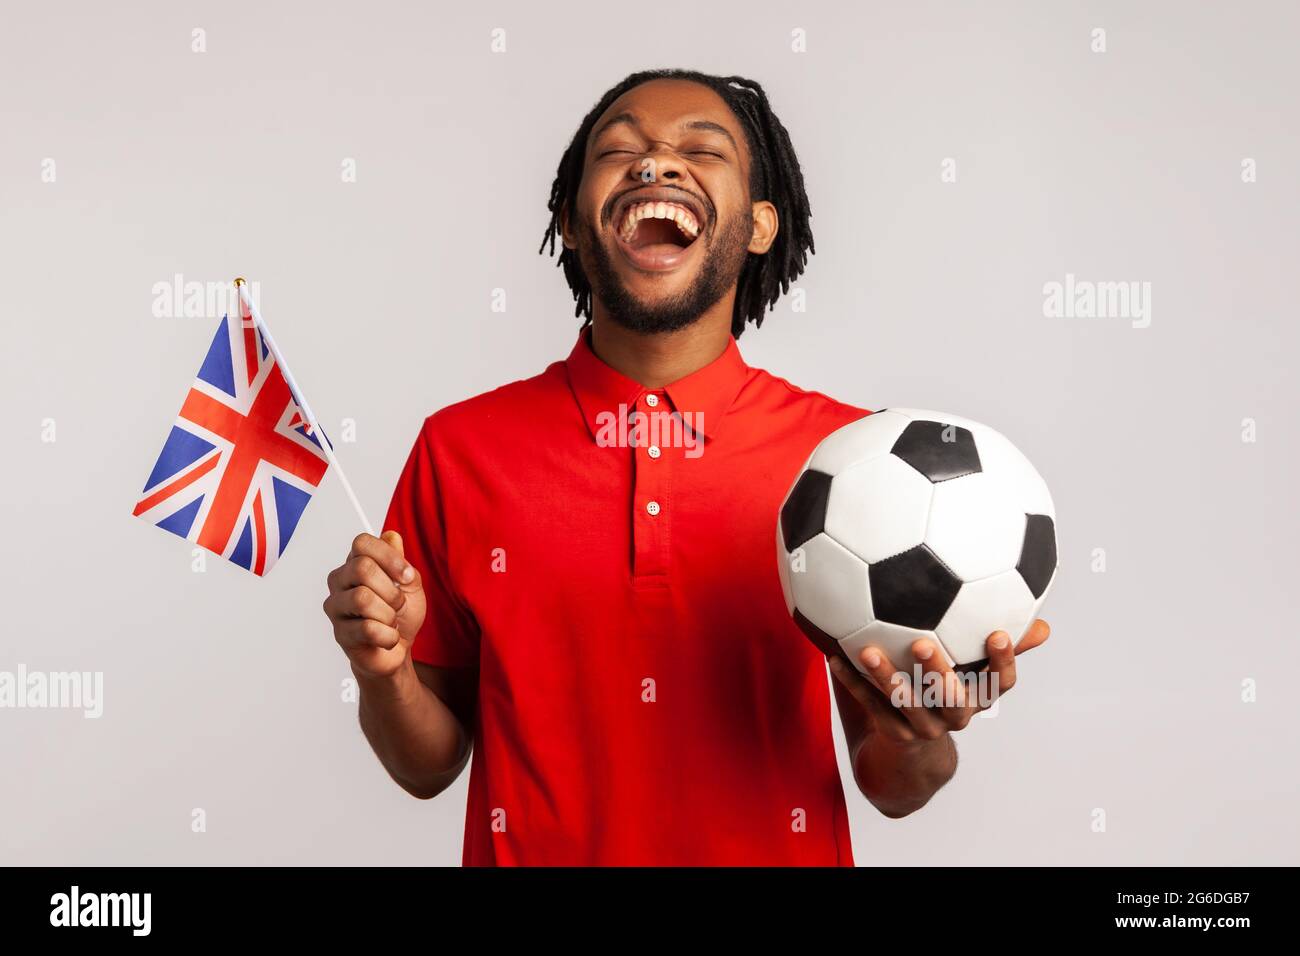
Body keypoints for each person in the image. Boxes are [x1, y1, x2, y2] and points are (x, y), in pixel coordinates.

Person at [321, 69, 1051, 866]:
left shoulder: (846, 460)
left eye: (700, 149)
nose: (654, 165)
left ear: (760, 226)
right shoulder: (459, 448)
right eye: (620, 149)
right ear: (569, 220)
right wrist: (382, 671)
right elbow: (427, 767)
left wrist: (924, 736)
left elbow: (891, 784)